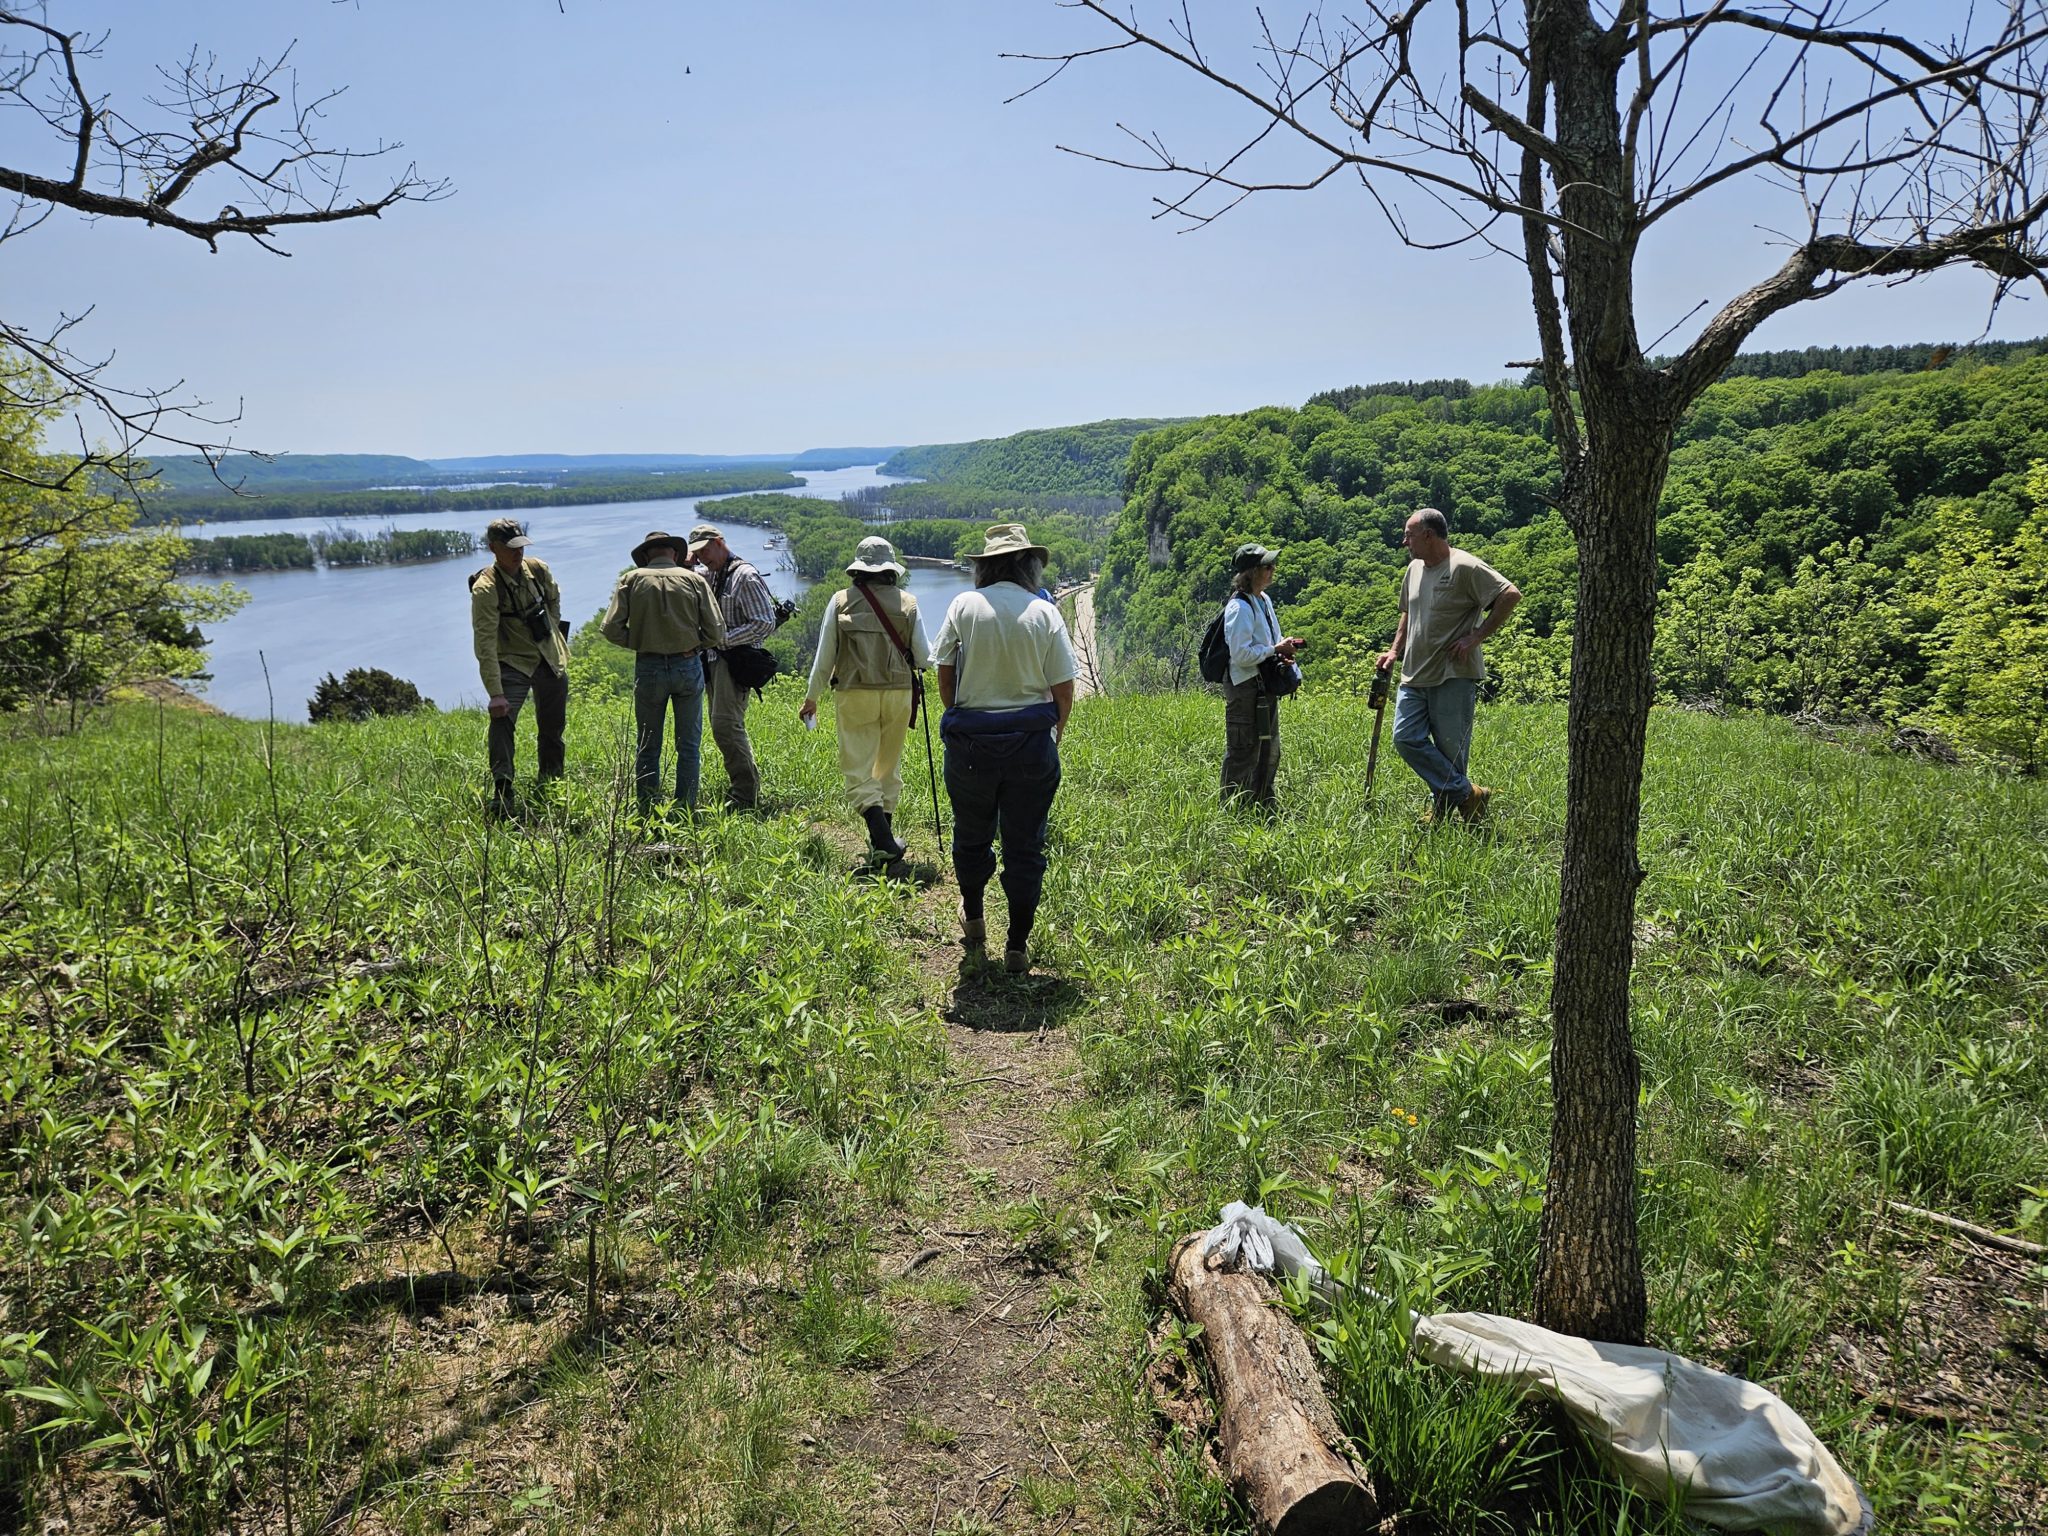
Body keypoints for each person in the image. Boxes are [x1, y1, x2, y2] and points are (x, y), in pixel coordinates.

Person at [933, 523, 1078, 975]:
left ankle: (974, 920)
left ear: (986, 566)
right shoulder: (1043, 612)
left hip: (971, 746)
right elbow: (1064, 688)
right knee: (1025, 845)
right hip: (1031, 748)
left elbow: (945, 671)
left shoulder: (963, 605)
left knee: (971, 835)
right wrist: (1055, 732)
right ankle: (1017, 945)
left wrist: (961, 713)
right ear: (1028, 565)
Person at [1377, 507, 1521, 823]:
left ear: (1428, 536)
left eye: (1409, 535)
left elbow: (1509, 594)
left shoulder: (1464, 566)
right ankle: (1469, 794)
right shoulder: (1414, 568)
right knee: (1405, 737)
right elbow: (1407, 613)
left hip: (1452, 673)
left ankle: (1443, 812)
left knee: (1450, 750)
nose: (1405, 542)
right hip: (1414, 672)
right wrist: (1393, 651)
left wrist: (1476, 637)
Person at [800, 536, 931, 865]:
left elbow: (824, 656)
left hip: (855, 692)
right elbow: (925, 658)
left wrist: (811, 697)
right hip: (899, 693)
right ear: (891, 569)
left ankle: (882, 840)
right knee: (887, 764)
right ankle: (882, 840)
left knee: (859, 766)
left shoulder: (841, 600)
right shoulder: (908, 603)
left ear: (858, 569)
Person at [601, 529, 727, 816]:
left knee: (647, 745)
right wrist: (695, 645)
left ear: (647, 555)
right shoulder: (695, 580)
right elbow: (716, 630)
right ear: (675, 553)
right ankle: (684, 810)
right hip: (687, 666)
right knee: (689, 746)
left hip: (649, 667)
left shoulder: (631, 580)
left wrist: (640, 641)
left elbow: (610, 629)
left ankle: (647, 812)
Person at [471, 517, 570, 818]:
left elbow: (554, 600)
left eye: (521, 546)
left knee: (553, 728)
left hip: (548, 658)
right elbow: (484, 642)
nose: (518, 553)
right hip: (512, 662)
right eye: (510, 548)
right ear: (493, 548)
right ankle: (503, 791)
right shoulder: (486, 588)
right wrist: (495, 692)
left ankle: (551, 783)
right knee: (502, 722)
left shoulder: (538, 570)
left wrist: (550, 631)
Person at [688, 523, 777, 811]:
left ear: (719, 542)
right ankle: (742, 788)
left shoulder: (744, 576)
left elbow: (764, 622)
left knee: (726, 726)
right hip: (715, 662)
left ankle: (745, 794)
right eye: (696, 553)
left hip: (734, 662)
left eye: (704, 550)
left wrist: (722, 640)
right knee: (720, 726)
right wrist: (687, 564)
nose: (701, 557)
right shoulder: (711, 574)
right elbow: (690, 579)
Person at [1219, 543, 1306, 809]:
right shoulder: (1239, 608)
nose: (1272, 570)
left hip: (1263, 686)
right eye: (1267, 567)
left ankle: (1263, 802)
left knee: (1269, 748)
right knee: (1244, 750)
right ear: (1251, 573)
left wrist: (1282, 646)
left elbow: (1271, 637)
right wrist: (1273, 650)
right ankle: (1233, 808)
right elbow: (1241, 654)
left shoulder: (1263, 600)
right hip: (1245, 688)